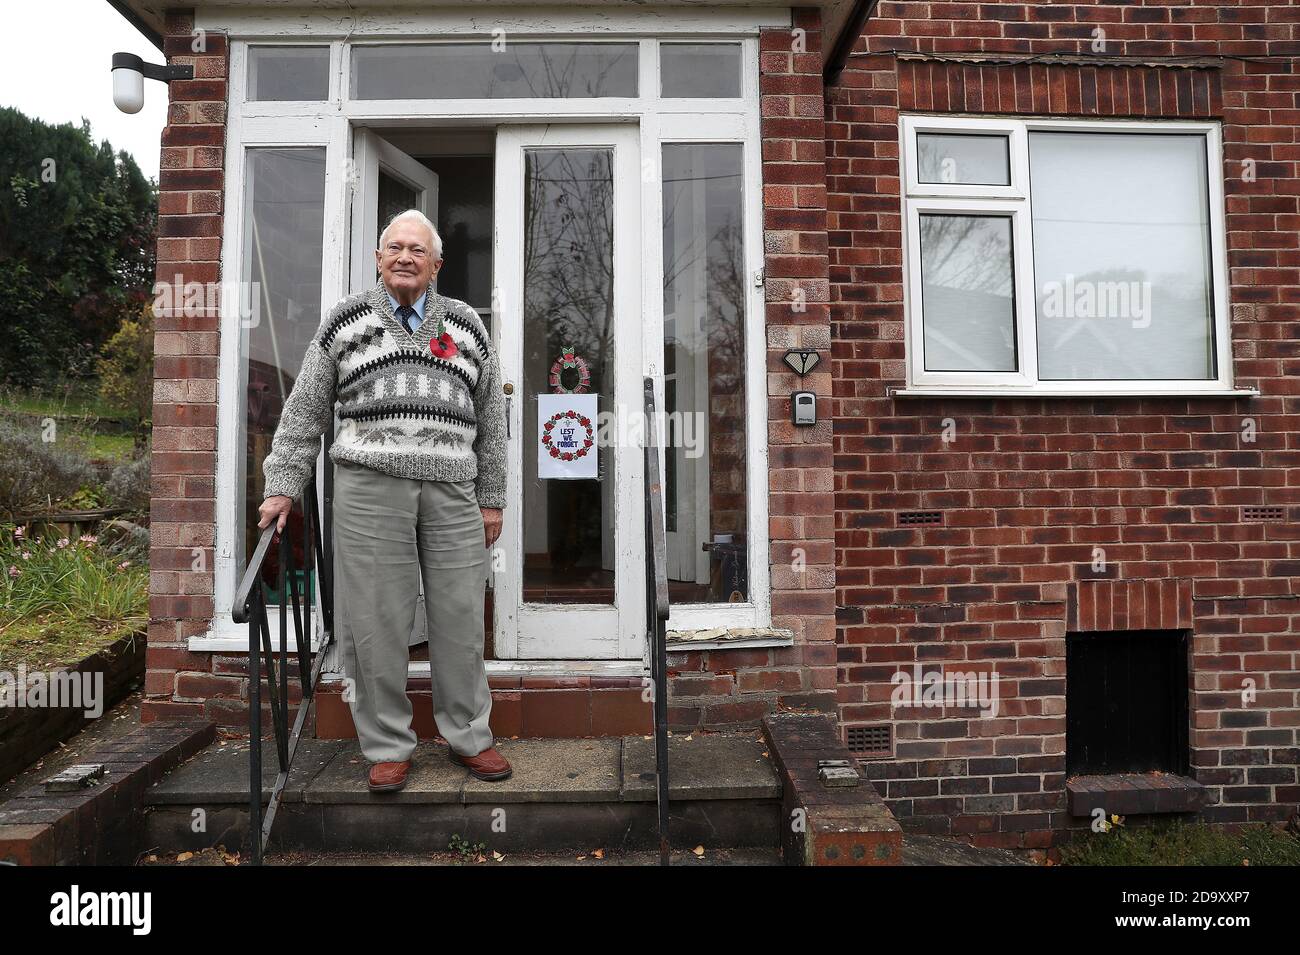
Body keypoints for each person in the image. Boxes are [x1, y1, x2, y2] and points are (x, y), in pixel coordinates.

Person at [258, 208, 510, 792]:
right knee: (374, 621)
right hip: (369, 489)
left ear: (436, 264)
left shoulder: (468, 326)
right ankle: (388, 745)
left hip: (453, 491)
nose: (404, 257)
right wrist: (282, 485)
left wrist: (492, 497)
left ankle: (470, 735)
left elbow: (491, 421)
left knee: (460, 618)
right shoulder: (345, 322)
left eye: (417, 250)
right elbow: (305, 411)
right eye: (394, 247)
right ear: (377, 257)